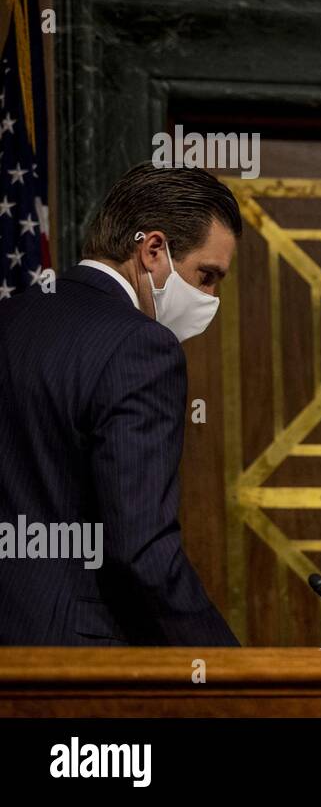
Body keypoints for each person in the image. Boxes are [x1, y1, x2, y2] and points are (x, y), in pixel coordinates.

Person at [0, 162, 241, 646]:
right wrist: (230, 667)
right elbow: (143, 548)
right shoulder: (142, 347)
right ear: (153, 250)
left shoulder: (9, 318)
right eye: (208, 275)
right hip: (72, 667)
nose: (212, 298)